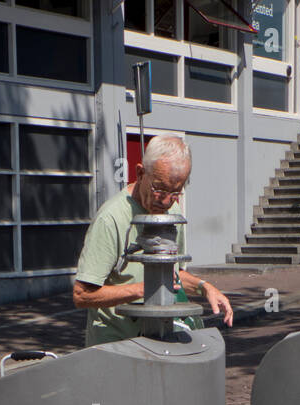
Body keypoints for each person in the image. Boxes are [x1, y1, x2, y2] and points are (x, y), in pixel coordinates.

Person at [73, 135, 233, 345]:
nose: (166, 202)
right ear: (140, 173)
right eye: (159, 189)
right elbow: (82, 295)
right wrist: (144, 289)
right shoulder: (111, 219)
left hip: (156, 340)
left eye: (176, 192)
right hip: (115, 347)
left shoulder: (172, 213)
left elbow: (174, 274)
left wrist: (205, 287)